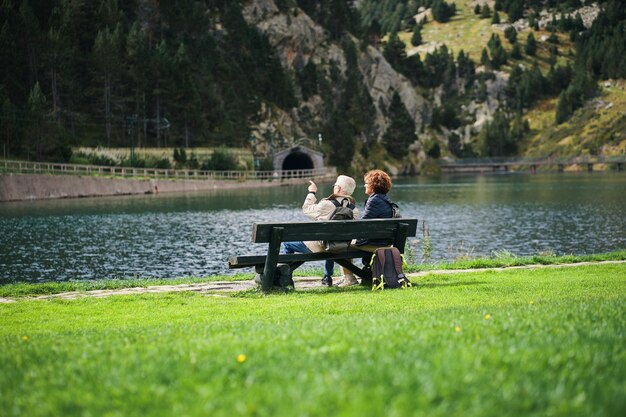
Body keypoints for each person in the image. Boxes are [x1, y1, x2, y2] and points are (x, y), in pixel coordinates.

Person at [282, 175, 359, 287]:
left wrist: (312, 192)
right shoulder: (354, 210)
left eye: (335, 186)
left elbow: (307, 209)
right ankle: (327, 276)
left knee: (287, 244)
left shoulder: (326, 204)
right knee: (332, 240)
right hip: (340, 247)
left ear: (338, 189)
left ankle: (287, 278)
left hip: (320, 247)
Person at [354, 169, 395, 267]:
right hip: (385, 241)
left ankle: (348, 276)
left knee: (343, 246)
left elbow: (363, 224)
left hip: (376, 243)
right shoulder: (385, 199)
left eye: (367, 183)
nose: (365, 185)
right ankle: (368, 270)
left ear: (374, 185)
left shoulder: (373, 200)